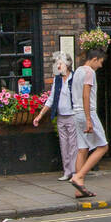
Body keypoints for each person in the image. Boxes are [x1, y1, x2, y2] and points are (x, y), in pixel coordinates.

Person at [69, 45, 108, 197]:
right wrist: (88, 119)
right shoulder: (89, 72)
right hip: (87, 113)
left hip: (75, 113)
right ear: (94, 59)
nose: (101, 65)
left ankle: (79, 189)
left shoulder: (77, 71)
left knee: (82, 148)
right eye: (100, 62)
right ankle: (78, 177)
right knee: (103, 146)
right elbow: (86, 95)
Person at [34, 50, 77, 181]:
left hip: (73, 115)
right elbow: (51, 99)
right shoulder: (57, 79)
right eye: (58, 63)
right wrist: (40, 115)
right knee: (64, 145)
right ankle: (67, 171)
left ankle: (75, 173)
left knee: (73, 146)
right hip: (61, 116)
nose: (59, 66)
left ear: (68, 64)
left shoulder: (74, 78)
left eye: (61, 63)